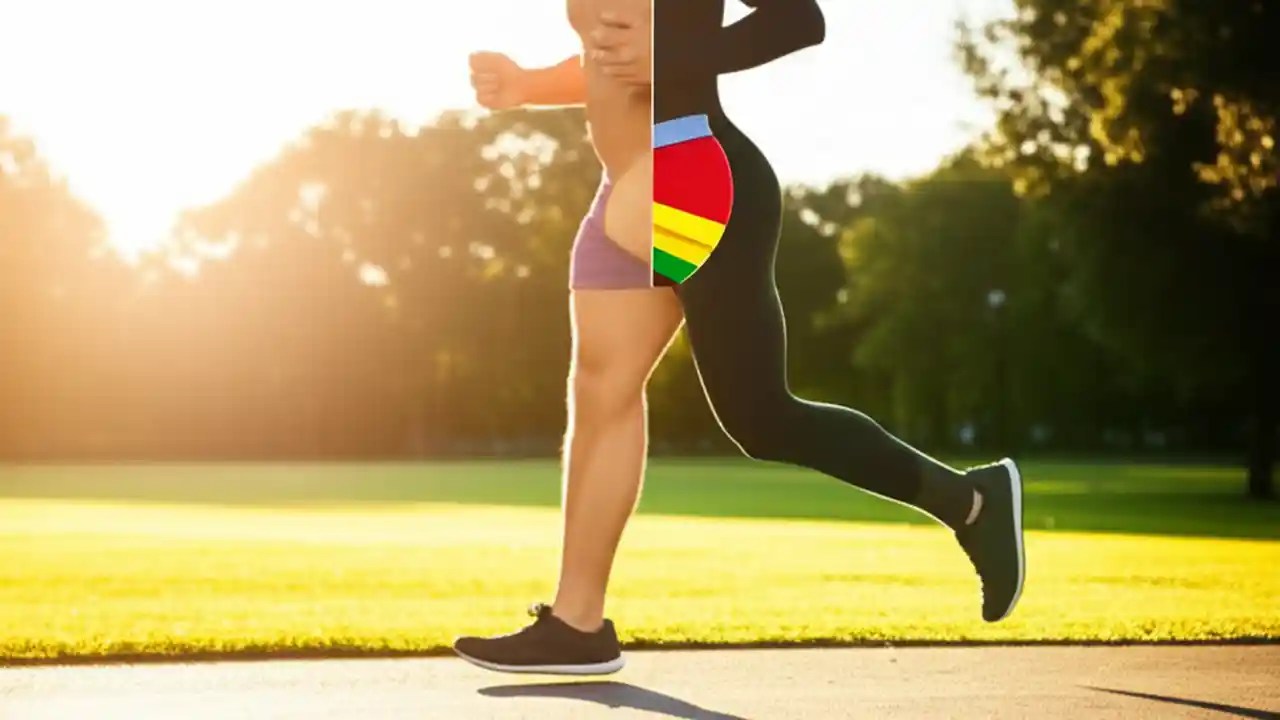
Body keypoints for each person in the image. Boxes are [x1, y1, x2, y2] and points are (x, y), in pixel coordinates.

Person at [455, 0, 1025, 677]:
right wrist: (529, 85)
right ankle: (577, 622)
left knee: (762, 420)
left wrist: (674, 59)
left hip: (690, 174)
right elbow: (616, 60)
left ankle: (973, 502)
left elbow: (795, 18)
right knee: (599, 394)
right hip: (626, 191)